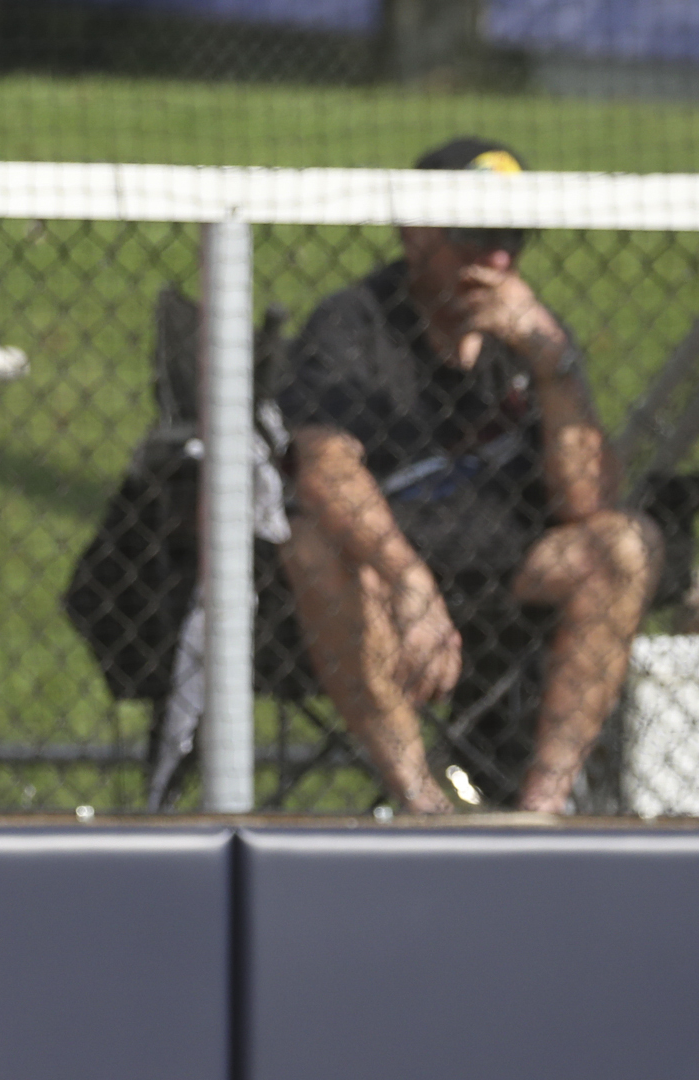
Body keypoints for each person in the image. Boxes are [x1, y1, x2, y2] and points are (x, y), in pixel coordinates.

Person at [277, 136, 662, 815]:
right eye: (476, 234)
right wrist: (407, 578)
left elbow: (587, 504)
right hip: (383, 583)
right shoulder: (354, 325)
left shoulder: (533, 337)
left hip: (502, 575)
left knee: (622, 546)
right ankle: (423, 804)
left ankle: (542, 811)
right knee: (313, 545)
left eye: (512, 236)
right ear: (416, 231)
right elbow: (323, 470)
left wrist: (554, 362)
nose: (498, 259)